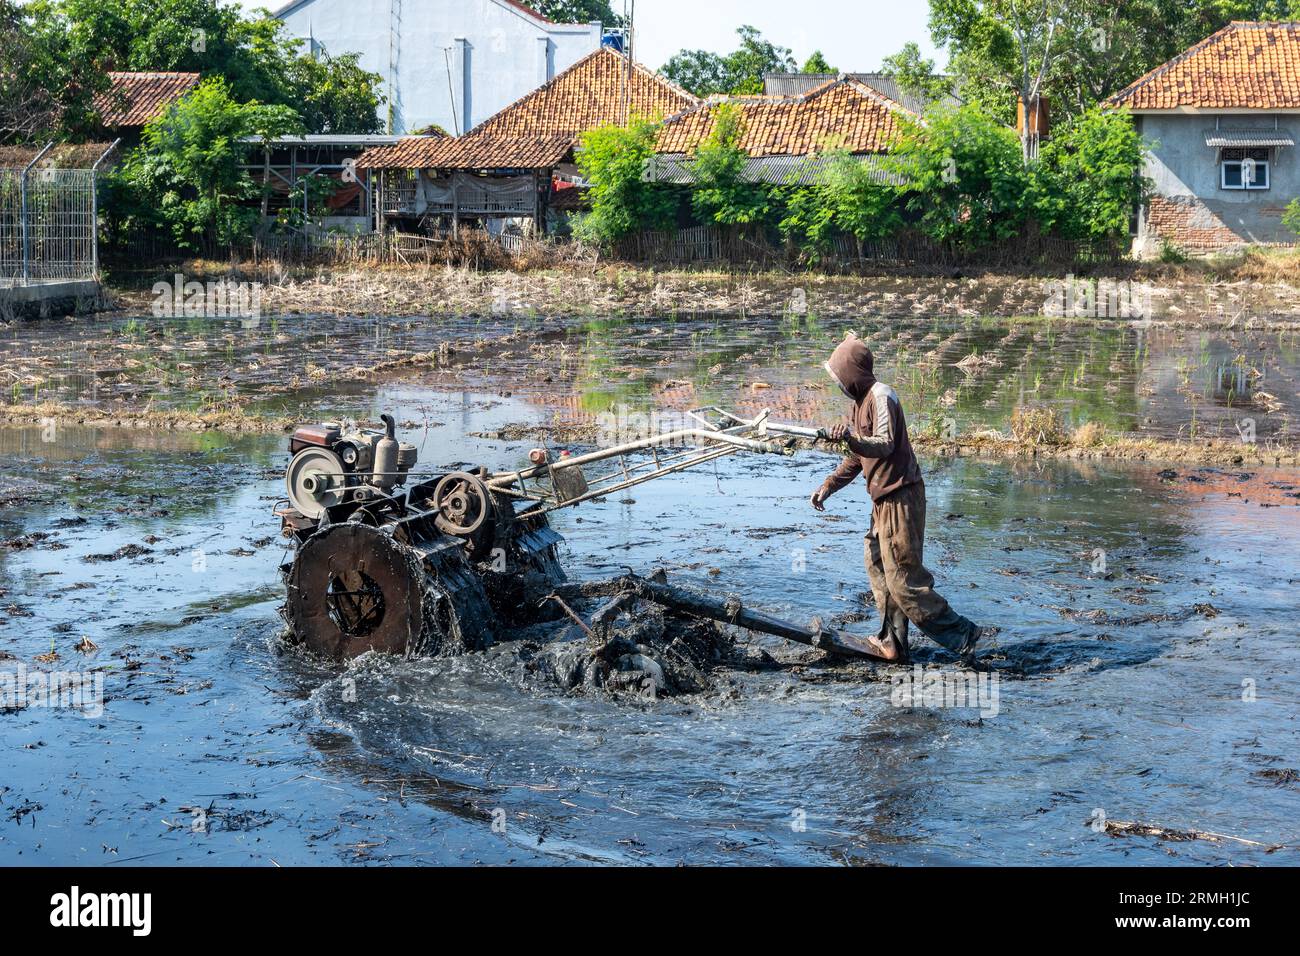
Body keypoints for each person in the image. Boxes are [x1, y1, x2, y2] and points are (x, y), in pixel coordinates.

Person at [810, 332, 989, 663]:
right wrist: (830, 484)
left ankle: (963, 634)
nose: (838, 383)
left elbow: (883, 444)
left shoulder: (881, 397)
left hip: (900, 497)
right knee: (878, 564)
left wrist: (851, 438)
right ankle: (892, 642)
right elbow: (858, 458)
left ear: (853, 372)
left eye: (839, 376)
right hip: (882, 502)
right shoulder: (858, 404)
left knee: (905, 581)